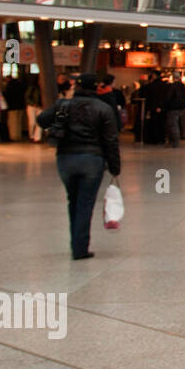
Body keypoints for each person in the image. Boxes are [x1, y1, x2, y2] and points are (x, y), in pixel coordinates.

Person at [36, 73, 121, 261]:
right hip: (92, 159)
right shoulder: (103, 108)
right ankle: (79, 247)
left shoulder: (63, 105)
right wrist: (115, 167)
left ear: (76, 87)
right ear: (95, 87)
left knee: (72, 200)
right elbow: (111, 140)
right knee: (85, 202)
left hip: (66, 158)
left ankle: (76, 243)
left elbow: (42, 120)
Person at [164, 73, 185, 147]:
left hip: (173, 107)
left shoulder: (173, 86)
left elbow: (168, 97)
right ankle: (176, 140)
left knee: (173, 124)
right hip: (181, 107)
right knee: (177, 124)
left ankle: (174, 141)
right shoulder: (182, 86)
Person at [3, 73, 26, 142]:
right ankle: (18, 135)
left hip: (12, 106)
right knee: (18, 121)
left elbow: (8, 95)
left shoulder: (10, 86)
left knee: (13, 122)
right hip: (20, 106)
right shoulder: (20, 84)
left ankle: (13, 136)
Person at [25, 76, 44, 142]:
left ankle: (37, 138)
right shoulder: (33, 88)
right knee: (32, 122)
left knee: (39, 122)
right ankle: (31, 135)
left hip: (41, 107)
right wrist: (32, 103)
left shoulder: (44, 88)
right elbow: (27, 97)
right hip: (32, 106)